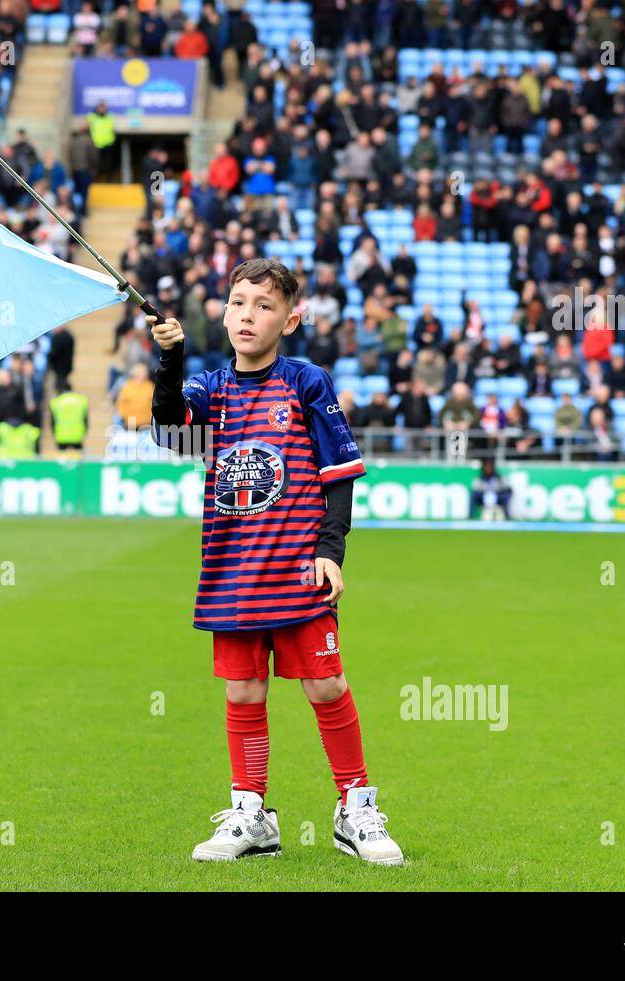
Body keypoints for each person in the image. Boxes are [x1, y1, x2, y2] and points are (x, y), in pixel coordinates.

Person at [147, 257, 404, 866]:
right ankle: (251, 814)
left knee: (327, 684)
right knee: (242, 692)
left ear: (290, 319)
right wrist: (170, 359)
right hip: (233, 570)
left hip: (298, 568)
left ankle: (355, 809)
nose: (248, 315)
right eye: (239, 303)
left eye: (264, 306)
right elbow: (166, 426)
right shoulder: (210, 389)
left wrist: (331, 551)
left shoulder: (307, 381)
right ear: (224, 309)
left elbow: (338, 471)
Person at [49, 381, 89, 453]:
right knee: (79, 460)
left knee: (61, 460)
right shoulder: (81, 400)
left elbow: (52, 420)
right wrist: (85, 430)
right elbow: (85, 418)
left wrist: (53, 432)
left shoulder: (56, 401)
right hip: (78, 434)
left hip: (61, 434)